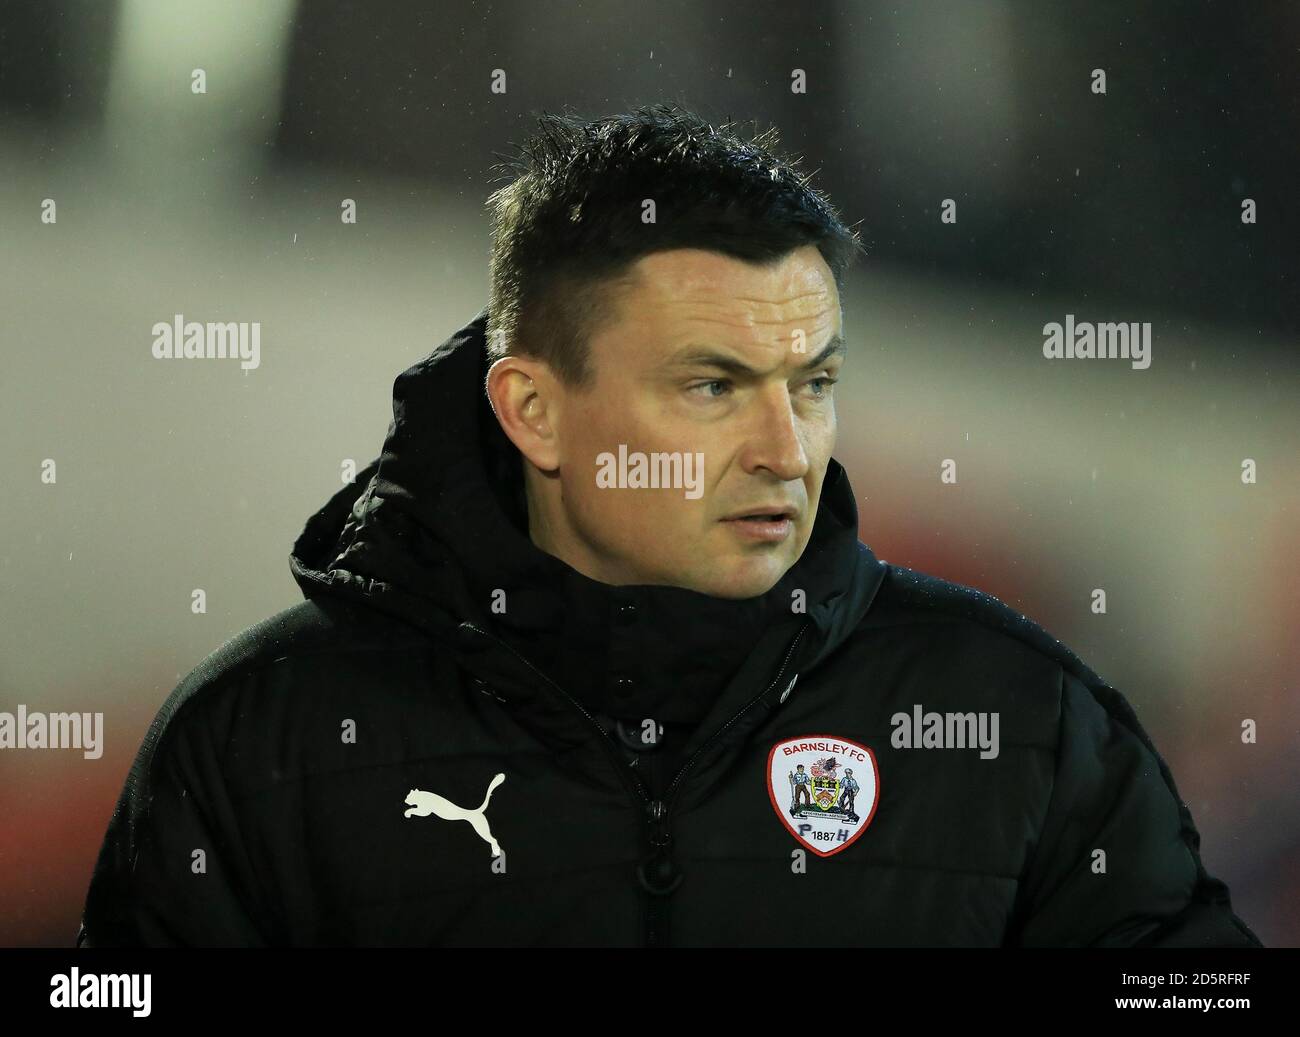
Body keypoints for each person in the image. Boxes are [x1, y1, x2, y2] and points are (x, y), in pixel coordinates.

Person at [77, 103, 1261, 947]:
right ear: (533, 409)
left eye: (812, 382)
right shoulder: (260, 745)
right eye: (710, 386)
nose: (786, 451)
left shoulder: (1020, 720)